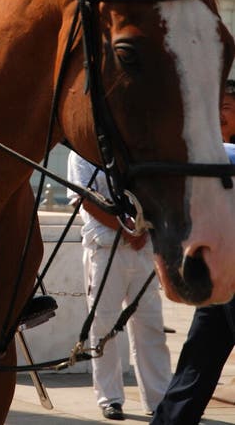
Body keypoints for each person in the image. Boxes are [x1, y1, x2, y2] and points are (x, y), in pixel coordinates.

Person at [150, 79, 235, 425]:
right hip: (216, 280)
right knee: (196, 363)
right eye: (214, 109)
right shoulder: (207, 155)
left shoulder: (215, 156)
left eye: (227, 109)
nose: (219, 116)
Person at [68, 150, 172, 420]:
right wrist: (123, 227)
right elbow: (84, 199)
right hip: (104, 248)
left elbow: (156, 191)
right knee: (104, 327)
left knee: (150, 325)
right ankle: (110, 398)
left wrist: (143, 228)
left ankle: (159, 398)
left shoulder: (132, 142)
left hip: (141, 248)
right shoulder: (81, 153)